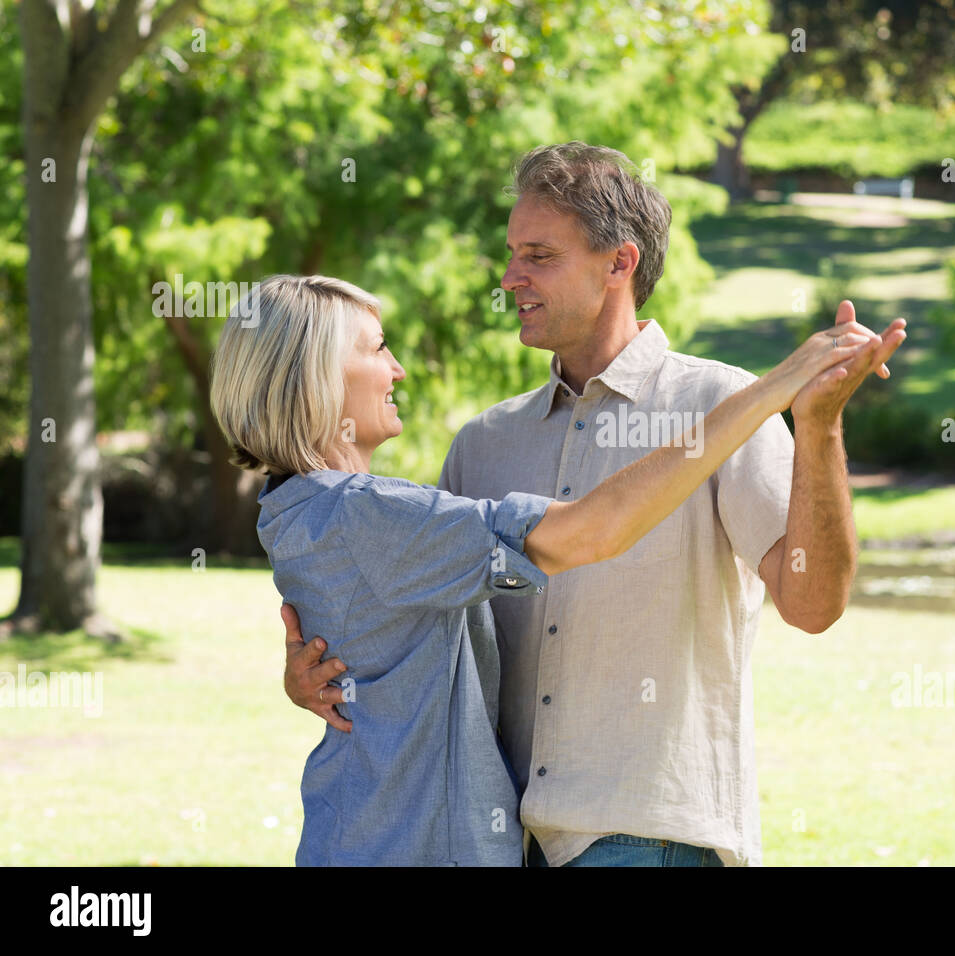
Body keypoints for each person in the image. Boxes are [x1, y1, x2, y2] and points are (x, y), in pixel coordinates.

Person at [284, 142, 908, 867]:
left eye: (539, 255)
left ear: (620, 263)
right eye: (513, 252)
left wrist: (819, 427)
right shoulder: (483, 444)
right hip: (497, 842)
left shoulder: (721, 406)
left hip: (649, 838)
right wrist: (321, 673)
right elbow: (428, 633)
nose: (511, 276)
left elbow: (814, 602)